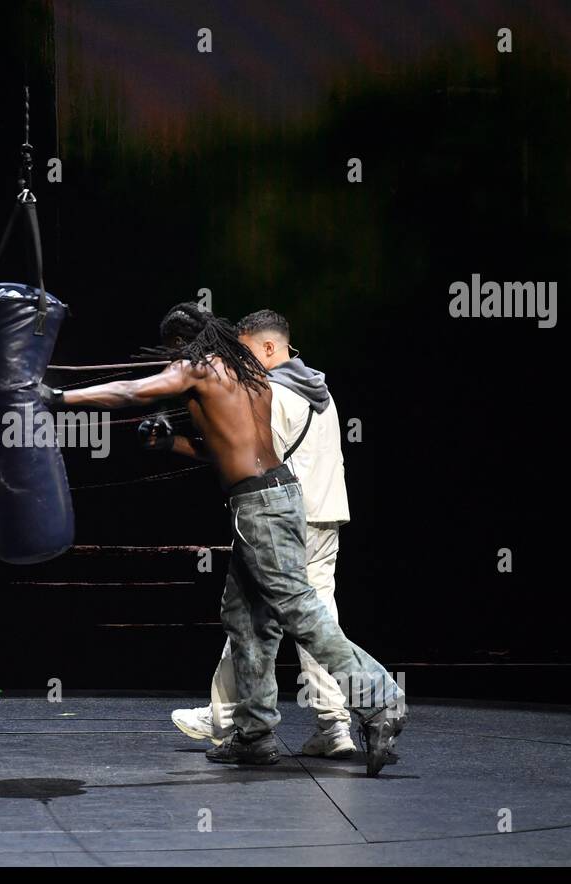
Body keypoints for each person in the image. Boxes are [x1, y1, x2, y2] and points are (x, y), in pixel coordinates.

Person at [41, 302, 405, 775]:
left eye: (173, 353)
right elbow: (227, 448)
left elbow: (132, 391)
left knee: (299, 610)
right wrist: (172, 442)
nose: (172, 363)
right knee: (246, 619)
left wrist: (60, 399)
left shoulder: (199, 365)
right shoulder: (247, 377)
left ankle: (381, 700)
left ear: (183, 345)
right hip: (272, 499)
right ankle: (253, 735)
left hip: (262, 506)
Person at [165, 309, 356, 757]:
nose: (235, 359)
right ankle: (334, 726)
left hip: (283, 521)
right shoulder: (319, 388)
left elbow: (241, 453)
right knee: (315, 620)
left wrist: (173, 442)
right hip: (327, 517)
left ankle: (226, 716)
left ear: (269, 348)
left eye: (245, 349)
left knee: (250, 617)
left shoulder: (272, 392)